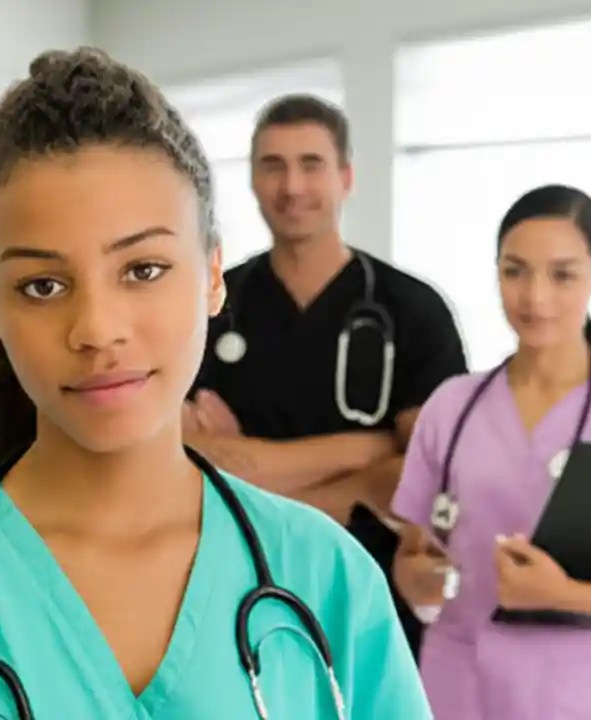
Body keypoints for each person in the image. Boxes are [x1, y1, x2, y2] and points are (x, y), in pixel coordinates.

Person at [0, 47, 430, 719]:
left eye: (142, 269)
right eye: (43, 285)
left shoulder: (328, 580)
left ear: (211, 275)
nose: (96, 328)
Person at [391, 184, 591, 720]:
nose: (534, 297)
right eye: (514, 271)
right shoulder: (451, 407)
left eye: (562, 275)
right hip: (455, 681)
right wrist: (421, 579)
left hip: (576, 691)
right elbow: (412, 555)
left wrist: (564, 592)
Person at [185, 93, 467, 657]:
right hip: (242, 591)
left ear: (345, 177)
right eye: (273, 166)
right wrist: (364, 467)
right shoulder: (210, 305)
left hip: (374, 598)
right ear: (253, 181)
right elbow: (191, 465)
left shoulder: (411, 309)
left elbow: (428, 475)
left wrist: (255, 467)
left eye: (310, 164)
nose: (292, 187)